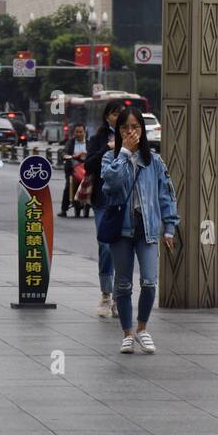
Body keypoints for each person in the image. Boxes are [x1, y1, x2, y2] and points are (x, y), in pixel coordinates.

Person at [101, 105, 179, 355]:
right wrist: (123, 153)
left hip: (146, 229)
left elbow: (166, 195)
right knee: (123, 285)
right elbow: (110, 184)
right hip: (120, 231)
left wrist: (169, 227)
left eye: (135, 127)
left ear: (143, 130)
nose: (131, 132)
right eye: (125, 127)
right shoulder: (110, 157)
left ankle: (142, 328)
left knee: (149, 281)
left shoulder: (154, 160)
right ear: (118, 130)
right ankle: (127, 333)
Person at [84, 101, 123, 318]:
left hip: (126, 200)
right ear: (107, 116)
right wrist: (106, 148)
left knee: (123, 247)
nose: (118, 118)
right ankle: (106, 294)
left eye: (121, 114)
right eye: (115, 114)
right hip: (103, 200)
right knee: (106, 245)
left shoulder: (132, 137)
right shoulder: (98, 138)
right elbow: (88, 165)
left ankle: (120, 296)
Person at [60, 123, 88, 217]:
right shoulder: (70, 143)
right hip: (72, 170)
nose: (79, 134)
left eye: (81, 132)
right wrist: (65, 156)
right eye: (77, 132)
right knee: (68, 186)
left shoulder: (89, 143)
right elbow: (64, 152)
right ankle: (64, 209)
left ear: (84, 132)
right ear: (74, 133)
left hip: (87, 170)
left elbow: (95, 153)